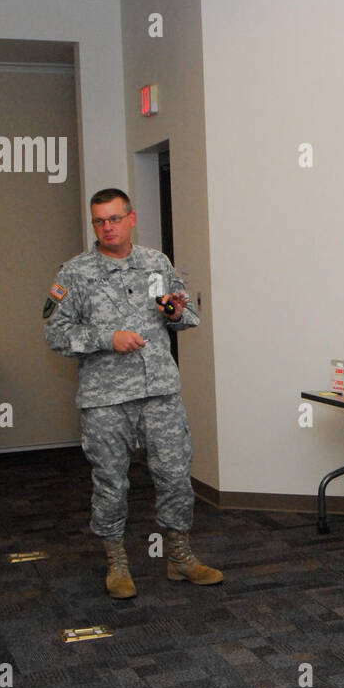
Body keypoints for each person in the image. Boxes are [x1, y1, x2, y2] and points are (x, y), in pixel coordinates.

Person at [44, 188, 221, 598]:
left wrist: (174, 312)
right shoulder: (74, 272)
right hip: (105, 398)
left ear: (131, 219)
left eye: (115, 219)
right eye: (100, 221)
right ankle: (117, 564)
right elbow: (56, 335)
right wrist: (108, 338)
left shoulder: (156, 262)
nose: (108, 227)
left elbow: (184, 314)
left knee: (176, 476)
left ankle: (179, 556)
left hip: (160, 391)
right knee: (111, 482)